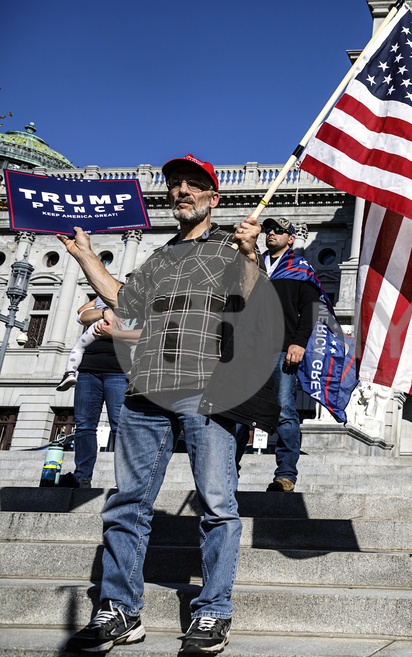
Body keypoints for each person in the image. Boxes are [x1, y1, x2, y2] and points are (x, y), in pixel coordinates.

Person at [58, 153, 281, 655]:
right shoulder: (159, 258)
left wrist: (250, 255)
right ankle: (119, 609)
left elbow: (248, 297)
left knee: (217, 504)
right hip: (144, 390)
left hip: (207, 388)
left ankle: (213, 610)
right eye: (175, 183)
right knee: (126, 502)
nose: (181, 190)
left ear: (212, 198)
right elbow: (123, 299)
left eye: (193, 184)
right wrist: (85, 256)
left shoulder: (231, 245)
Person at [261, 217, 319, 493]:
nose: (270, 233)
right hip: (248, 351)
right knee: (236, 411)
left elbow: (310, 310)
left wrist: (299, 342)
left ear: (291, 238)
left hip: (282, 347)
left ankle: (285, 474)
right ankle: (228, 470)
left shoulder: (300, 269)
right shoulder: (254, 264)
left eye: (278, 230)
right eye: (268, 230)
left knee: (285, 410)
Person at [56, 299, 131, 488]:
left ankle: (127, 481)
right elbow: (82, 314)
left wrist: (115, 330)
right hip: (88, 369)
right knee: (84, 425)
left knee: (120, 426)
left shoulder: (139, 302)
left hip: (119, 371)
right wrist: (105, 310)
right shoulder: (105, 299)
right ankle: (82, 475)